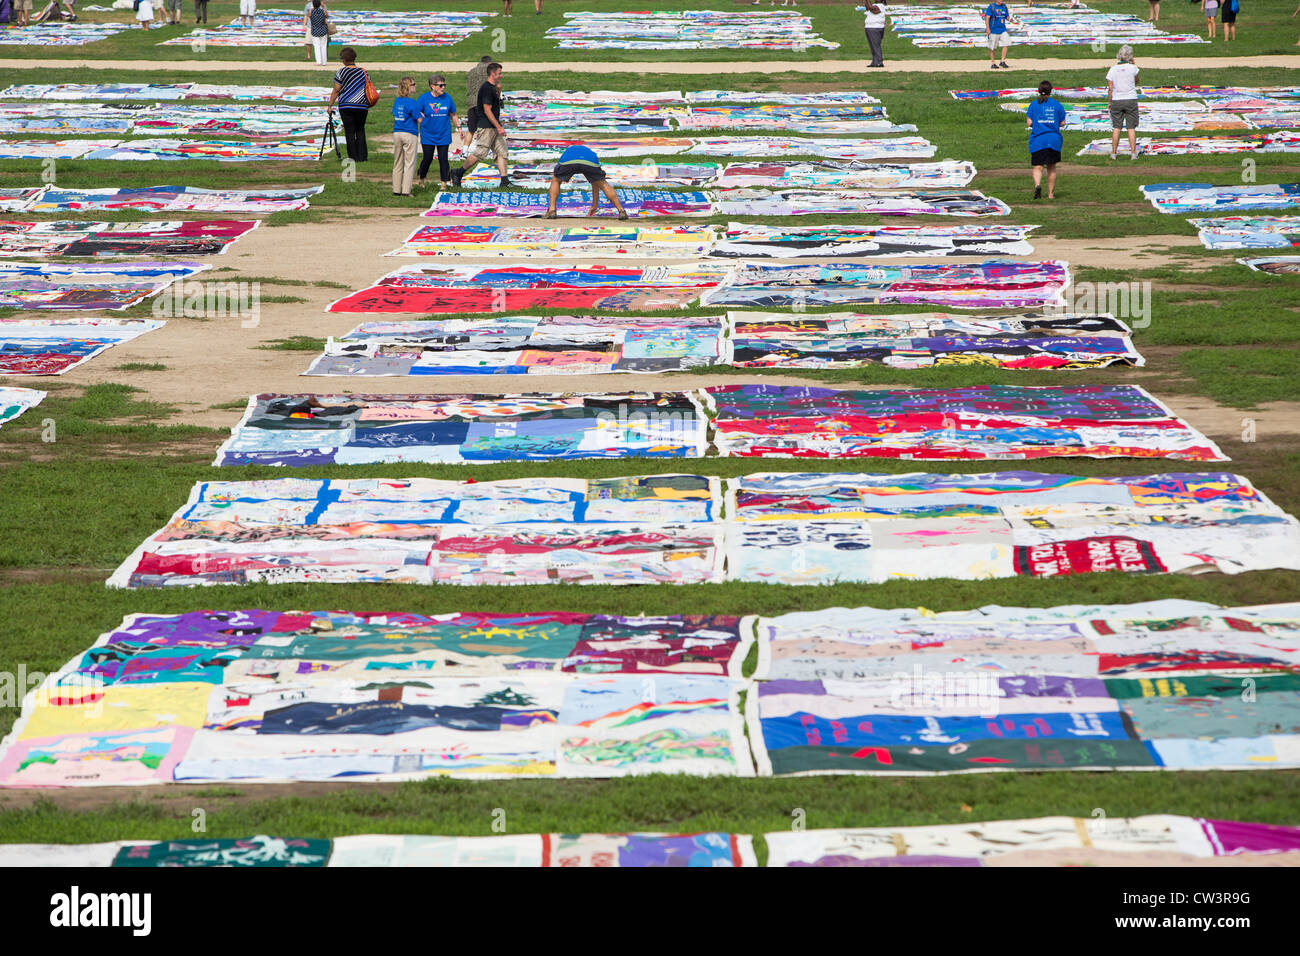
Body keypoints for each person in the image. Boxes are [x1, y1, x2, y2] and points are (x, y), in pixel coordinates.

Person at [452, 62, 509, 188]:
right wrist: (498, 127)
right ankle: (458, 172)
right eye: (499, 73)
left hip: (493, 126)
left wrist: (498, 91)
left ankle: (504, 181)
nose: (501, 76)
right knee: (481, 152)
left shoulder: (493, 88)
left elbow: (495, 106)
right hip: (487, 126)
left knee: (502, 152)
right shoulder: (487, 88)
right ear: (493, 74)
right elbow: (487, 110)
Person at [544, 144, 629, 219]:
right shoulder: (591, 155)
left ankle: (552, 210)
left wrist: (594, 206)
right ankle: (621, 210)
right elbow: (595, 185)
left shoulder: (569, 151)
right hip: (590, 163)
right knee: (603, 184)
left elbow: (560, 166)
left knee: (556, 180)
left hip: (568, 161)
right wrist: (594, 206)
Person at [415, 74, 461, 188]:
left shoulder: (447, 98)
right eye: (440, 85)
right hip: (428, 134)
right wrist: (421, 120)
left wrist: (459, 127)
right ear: (432, 86)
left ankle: (444, 183)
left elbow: (453, 114)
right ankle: (421, 178)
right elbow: (415, 112)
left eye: (444, 85)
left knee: (443, 158)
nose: (443, 87)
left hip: (443, 133)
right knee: (427, 158)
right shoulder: (423, 98)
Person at [328, 46, 373, 162]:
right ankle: (363, 157)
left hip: (346, 105)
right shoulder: (363, 72)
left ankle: (352, 157)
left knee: (349, 131)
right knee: (360, 130)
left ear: (344, 59)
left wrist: (330, 105)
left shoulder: (341, 72)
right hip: (362, 105)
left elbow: (337, 89)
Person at [1026, 79, 1065, 200]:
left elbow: (1029, 123)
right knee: (1051, 168)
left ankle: (1038, 185)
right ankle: (1050, 194)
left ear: (1038, 91)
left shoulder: (1033, 105)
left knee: (1038, 166)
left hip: (1038, 140)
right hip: (1053, 140)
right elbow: (1062, 122)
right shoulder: (1057, 104)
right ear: (1051, 91)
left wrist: (1038, 124)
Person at [1106, 45, 1140, 160]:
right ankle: (1133, 153)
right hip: (1130, 99)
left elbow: (1110, 88)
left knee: (1117, 127)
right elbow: (1137, 81)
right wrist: (1134, 64)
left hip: (1117, 99)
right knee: (1131, 128)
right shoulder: (1133, 68)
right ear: (1130, 56)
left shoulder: (1112, 69)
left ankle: (1114, 153)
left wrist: (1109, 101)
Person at [391, 77, 420, 196]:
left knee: (397, 162)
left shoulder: (397, 101)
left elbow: (395, 113)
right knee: (409, 163)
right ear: (408, 87)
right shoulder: (412, 102)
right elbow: (419, 118)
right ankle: (406, 190)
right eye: (413, 84)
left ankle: (396, 189)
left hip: (397, 132)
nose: (415, 86)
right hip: (409, 133)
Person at [466, 54, 492, 135]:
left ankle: (466, 147)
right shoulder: (490, 72)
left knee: (471, 129)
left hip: (471, 102)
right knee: (485, 127)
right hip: (483, 103)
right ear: (490, 63)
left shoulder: (471, 71)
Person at [983, 0, 1013, 69]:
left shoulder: (1004, 6)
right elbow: (987, 18)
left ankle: (1002, 61)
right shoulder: (991, 7)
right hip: (993, 30)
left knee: (1006, 42)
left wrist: (1012, 20)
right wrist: (987, 28)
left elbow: (1006, 16)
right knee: (993, 47)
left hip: (1002, 29)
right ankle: (993, 63)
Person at [864, 0, 887, 68]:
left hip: (875, 28)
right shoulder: (875, 5)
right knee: (873, 46)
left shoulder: (881, 6)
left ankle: (879, 62)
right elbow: (868, 7)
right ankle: (875, 62)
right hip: (870, 27)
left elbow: (873, 9)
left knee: (876, 45)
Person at [307, 0, 329, 67]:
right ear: (320, 4)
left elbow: (308, 15)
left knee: (316, 46)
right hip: (323, 30)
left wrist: (312, 8)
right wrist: (323, 7)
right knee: (323, 46)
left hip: (315, 30)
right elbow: (327, 16)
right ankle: (324, 62)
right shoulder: (322, 11)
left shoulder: (312, 11)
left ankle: (319, 62)